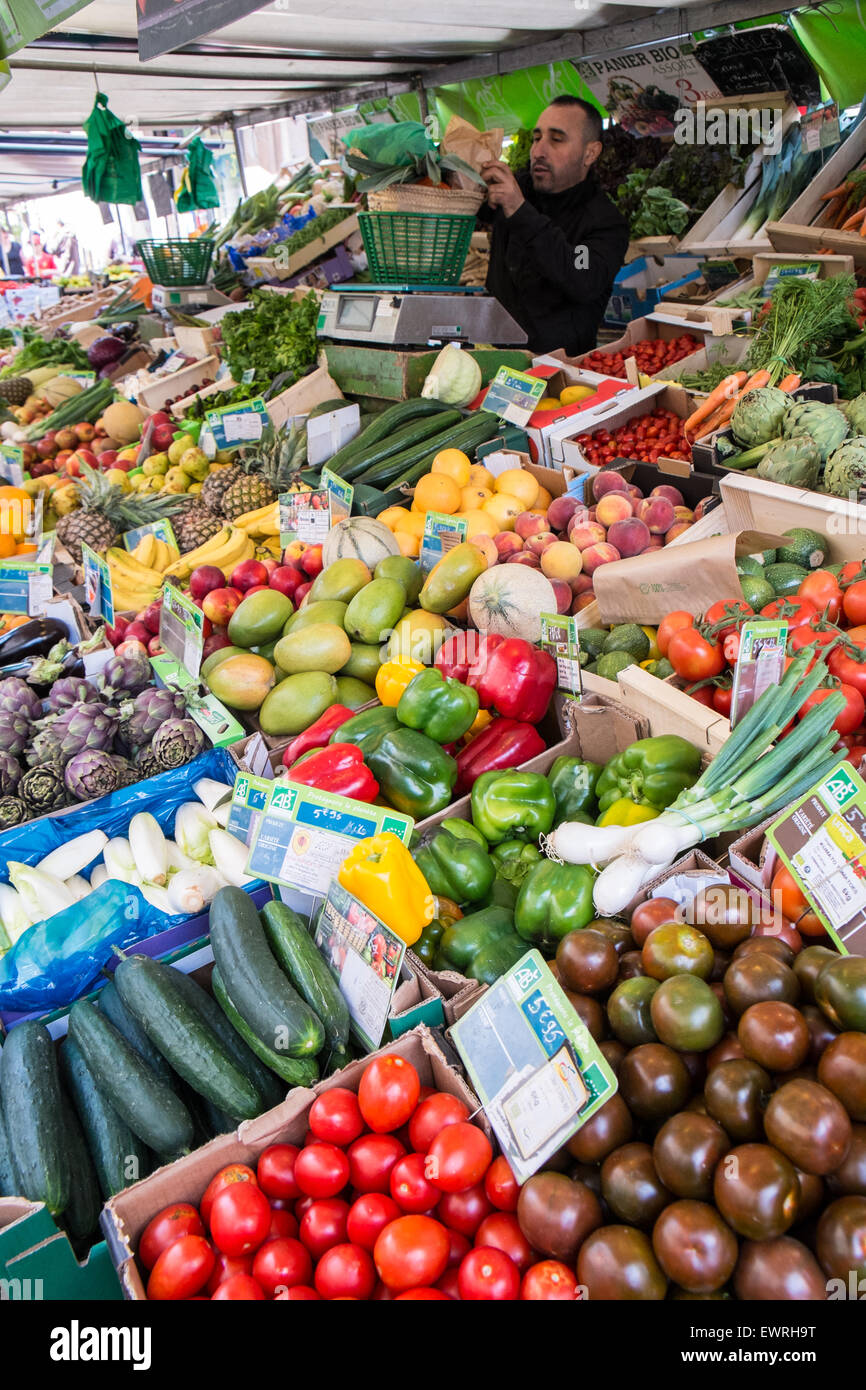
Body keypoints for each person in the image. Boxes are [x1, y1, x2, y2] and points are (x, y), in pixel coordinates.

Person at [481, 96, 629, 356]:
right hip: (493, 356)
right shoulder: (519, 188)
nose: (539, 151)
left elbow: (581, 275)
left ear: (590, 153)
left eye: (556, 139)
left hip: (560, 374)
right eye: (537, 138)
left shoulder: (603, 222)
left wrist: (520, 212)